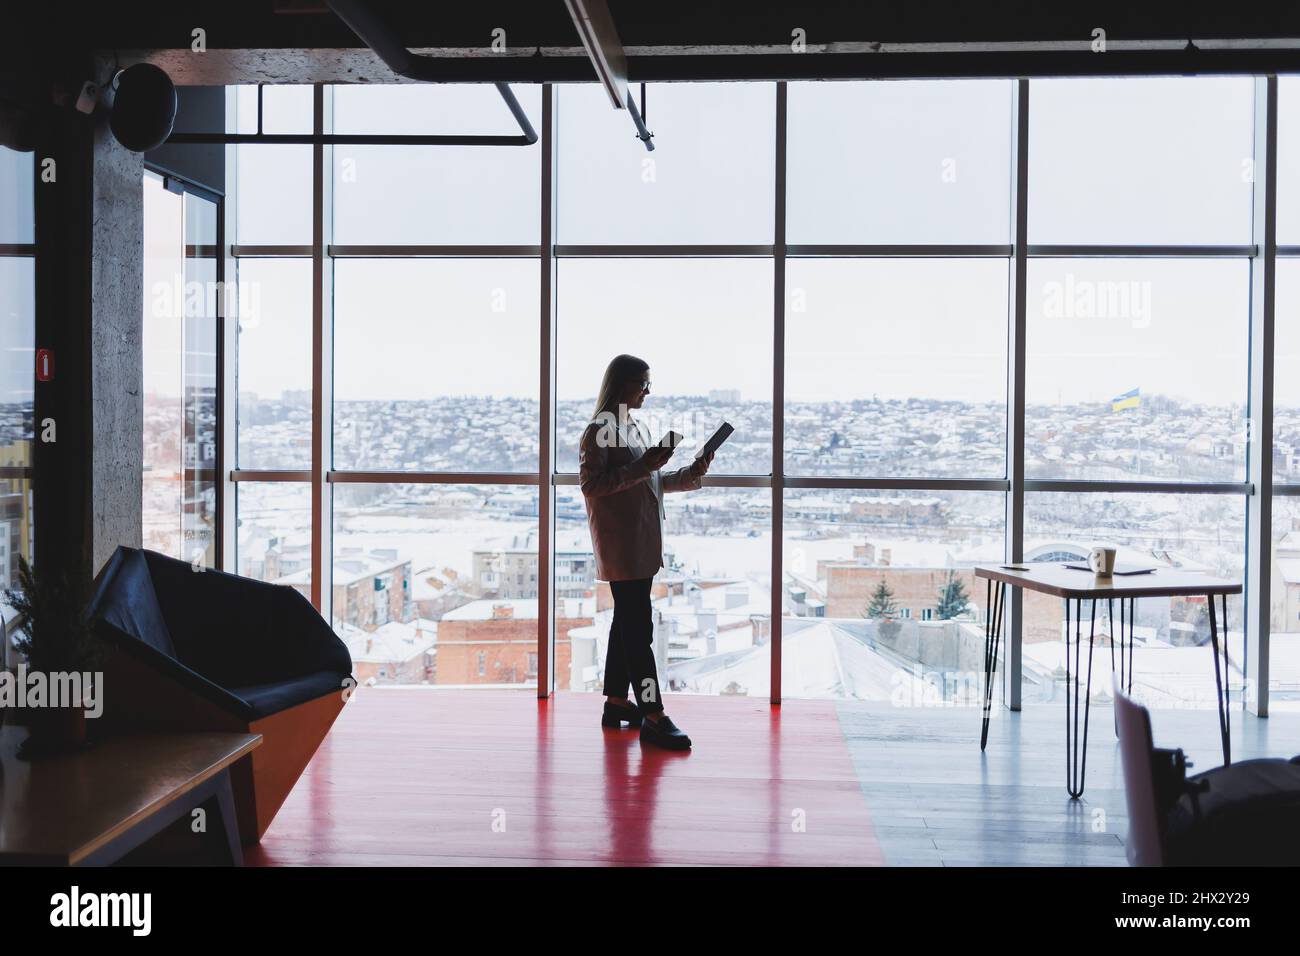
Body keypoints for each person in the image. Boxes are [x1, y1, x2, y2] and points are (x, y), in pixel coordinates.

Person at [579, 354, 713, 750]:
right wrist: (643, 468)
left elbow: (649, 481)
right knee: (639, 632)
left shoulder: (632, 427)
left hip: (640, 541)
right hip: (623, 544)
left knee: (628, 624)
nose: (647, 391)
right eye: (642, 383)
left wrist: (692, 473)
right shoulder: (598, 431)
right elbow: (591, 485)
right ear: (621, 384)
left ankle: (618, 702)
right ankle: (653, 713)